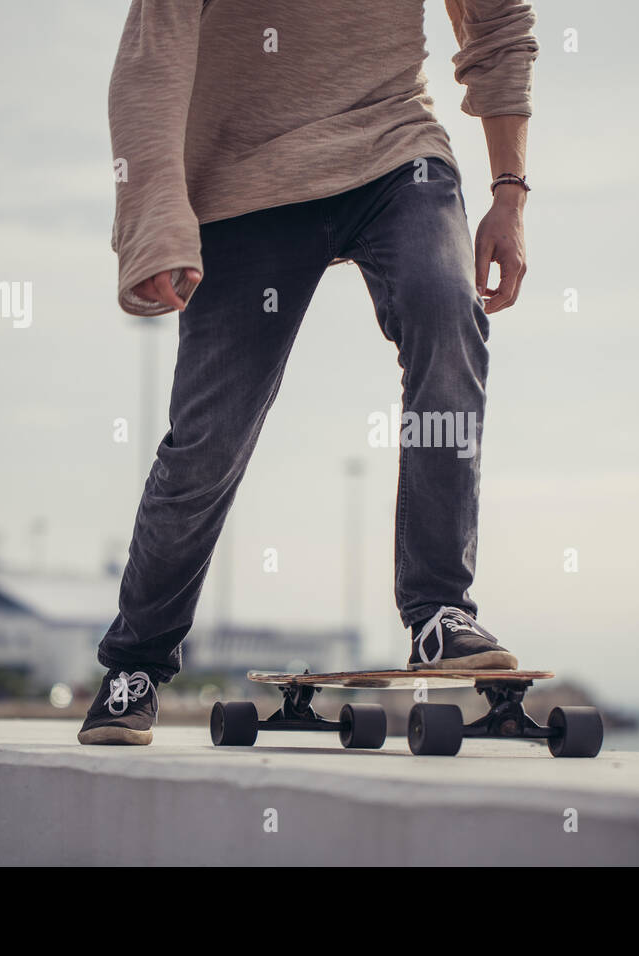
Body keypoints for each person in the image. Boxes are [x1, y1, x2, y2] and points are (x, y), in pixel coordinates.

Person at [80, 0, 538, 745]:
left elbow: (498, 25)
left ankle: (439, 611)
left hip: (396, 151)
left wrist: (509, 194)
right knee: (209, 440)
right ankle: (135, 662)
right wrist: (155, 218)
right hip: (245, 181)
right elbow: (149, 56)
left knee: (447, 313)